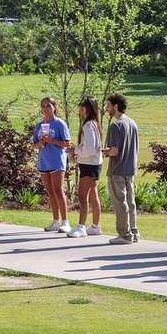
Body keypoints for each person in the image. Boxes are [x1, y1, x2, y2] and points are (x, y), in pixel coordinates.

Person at [66, 95, 104, 238]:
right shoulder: (94, 124)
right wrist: (78, 149)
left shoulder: (89, 125)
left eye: (85, 105)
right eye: (80, 104)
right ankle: (95, 226)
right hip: (94, 163)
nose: (81, 107)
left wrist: (75, 150)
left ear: (91, 107)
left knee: (83, 196)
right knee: (93, 194)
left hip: (89, 165)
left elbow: (89, 149)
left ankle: (81, 226)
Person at [105, 93, 140, 245]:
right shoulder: (133, 123)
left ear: (115, 106)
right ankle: (134, 231)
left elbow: (114, 151)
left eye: (108, 106)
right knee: (130, 202)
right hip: (130, 168)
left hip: (117, 169)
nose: (107, 109)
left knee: (120, 203)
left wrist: (103, 152)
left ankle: (124, 234)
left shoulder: (116, 125)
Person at [33, 97, 72, 234]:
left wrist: (51, 140)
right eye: (43, 106)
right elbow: (34, 144)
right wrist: (40, 143)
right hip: (44, 161)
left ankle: (65, 221)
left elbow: (66, 143)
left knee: (58, 190)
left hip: (56, 160)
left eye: (48, 106)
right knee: (50, 192)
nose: (45, 108)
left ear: (54, 107)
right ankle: (56, 220)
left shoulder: (59, 123)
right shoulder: (39, 125)